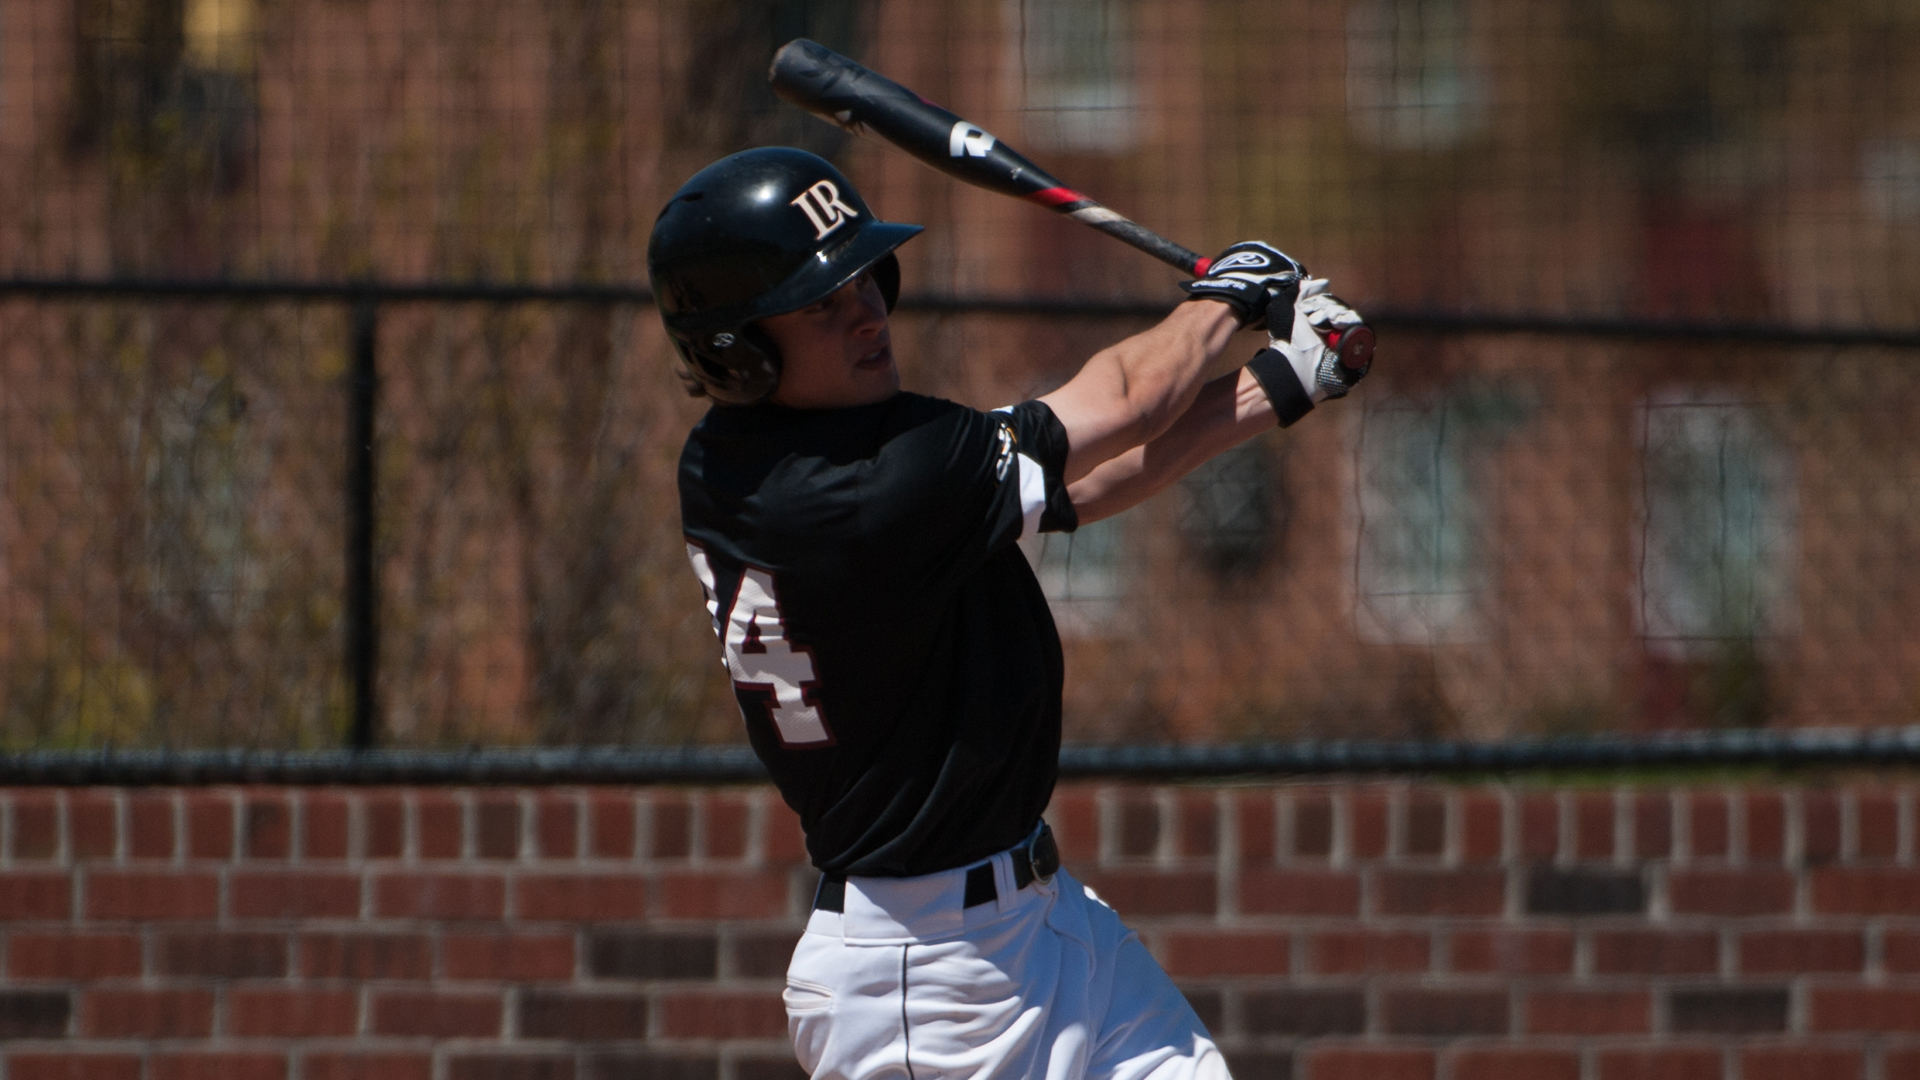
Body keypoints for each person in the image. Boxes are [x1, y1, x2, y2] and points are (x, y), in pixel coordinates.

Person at [650, 147, 1369, 1080]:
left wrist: (1283, 381)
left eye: (864, 280)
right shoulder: (874, 485)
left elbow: (1077, 480)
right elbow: (1128, 397)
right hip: (933, 985)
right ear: (737, 351)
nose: (865, 312)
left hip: (1043, 920)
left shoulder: (757, 464)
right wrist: (1233, 293)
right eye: (821, 304)